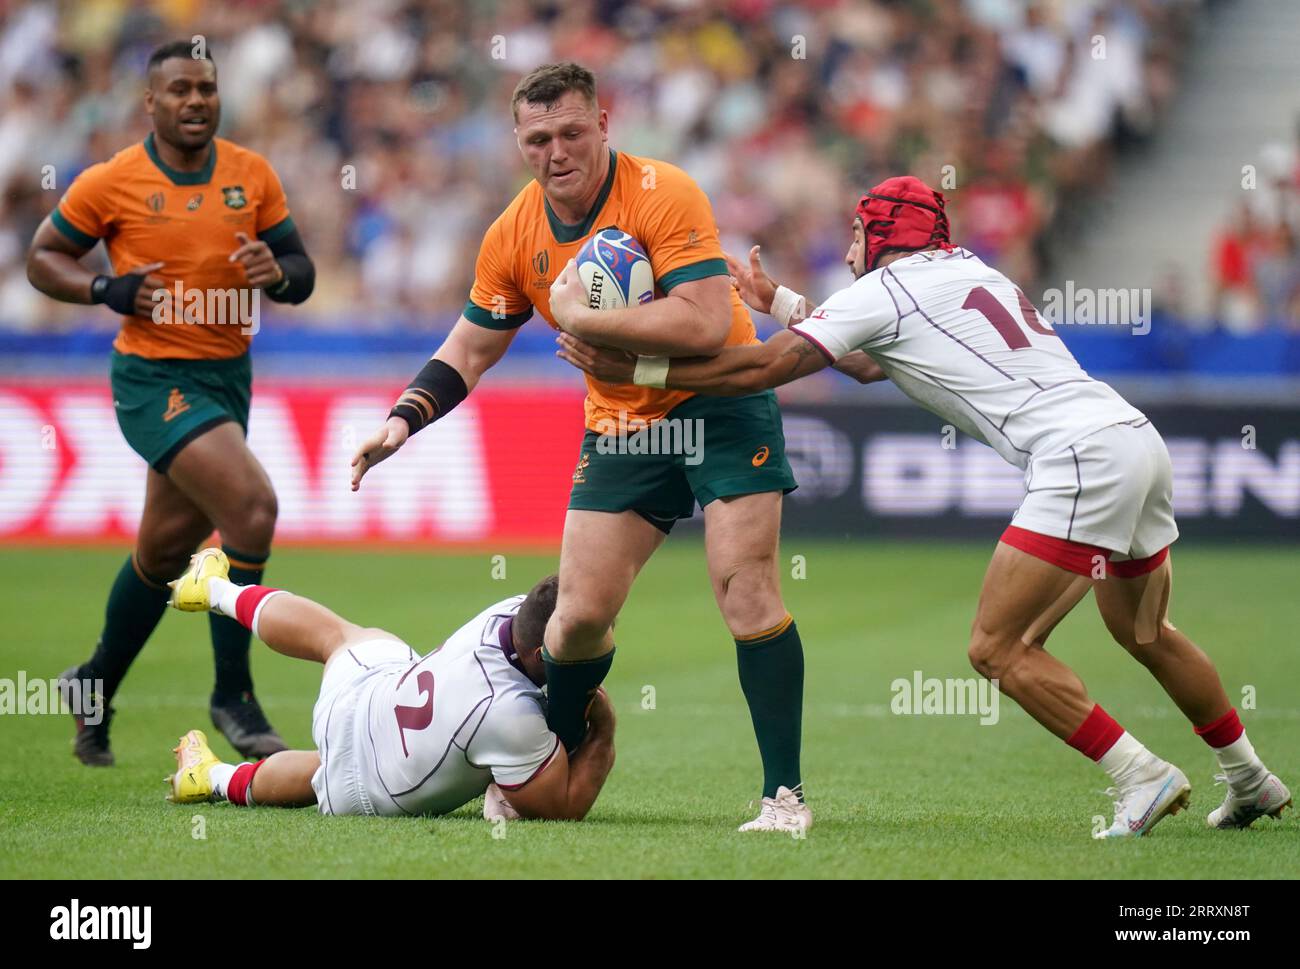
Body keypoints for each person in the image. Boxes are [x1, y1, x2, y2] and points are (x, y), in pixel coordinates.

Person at [552, 175, 1291, 837]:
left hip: (1079, 459)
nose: (847, 249)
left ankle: (1140, 774)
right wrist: (777, 299)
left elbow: (769, 364)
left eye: (855, 232)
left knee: (997, 648)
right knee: (1147, 630)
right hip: (1133, 437)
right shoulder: (974, 272)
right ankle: (1251, 776)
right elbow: (876, 361)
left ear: (880, 234)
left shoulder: (886, 288)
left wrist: (638, 365)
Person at [350, 63, 876, 832]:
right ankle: (558, 760)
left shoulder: (665, 191)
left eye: (570, 132)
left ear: (603, 124)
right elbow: (470, 348)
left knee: (747, 590)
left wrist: (583, 318)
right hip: (625, 425)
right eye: (537, 138)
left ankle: (784, 797)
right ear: (520, 142)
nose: (555, 151)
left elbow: (701, 320)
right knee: (576, 617)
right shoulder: (513, 232)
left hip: (723, 401)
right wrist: (402, 419)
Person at [28, 40, 316, 765]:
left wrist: (274, 274)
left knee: (162, 552)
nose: (196, 101)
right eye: (180, 89)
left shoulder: (252, 174)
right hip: (153, 378)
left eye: (207, 89)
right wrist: (106, 289)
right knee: (251, 508)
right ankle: (233, 695)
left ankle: (93, 681)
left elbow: (301, 271)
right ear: (150, 102)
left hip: (226, 377)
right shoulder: (112, 181)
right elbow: (43, 257)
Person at [164, 549, 615, 820]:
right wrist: (604, 729)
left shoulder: (514, 609)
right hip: (371, 792)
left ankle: (218, 591)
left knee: (340, 637)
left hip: (369, 696)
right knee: (327, 773)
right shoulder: (509, 717)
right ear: (542, 656)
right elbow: (562, 806)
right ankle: (213, 779)